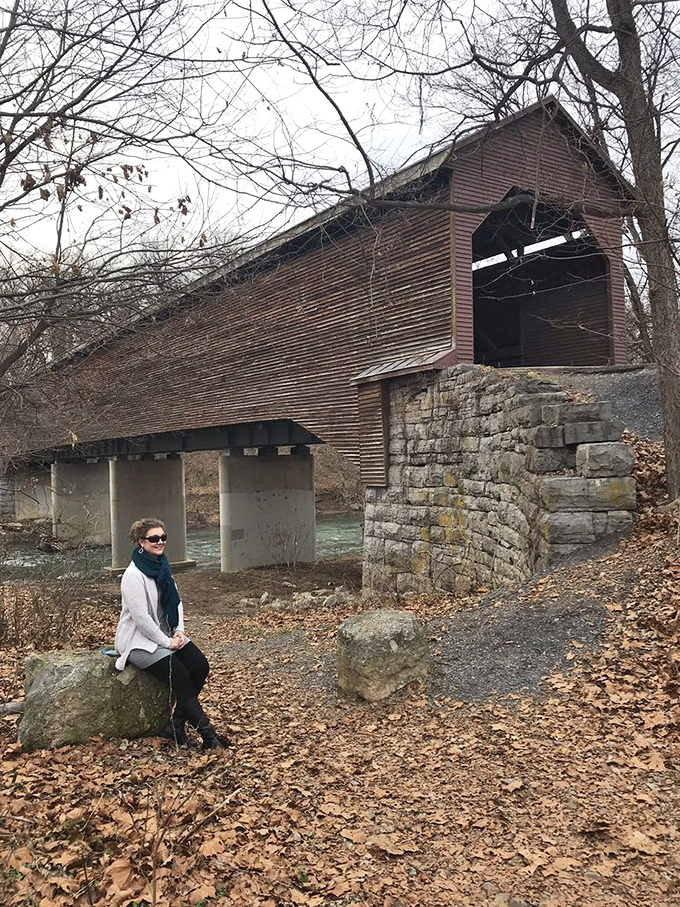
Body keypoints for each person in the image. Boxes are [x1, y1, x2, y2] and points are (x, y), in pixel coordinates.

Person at [114, 517, 226, 749]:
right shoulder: (133, 575)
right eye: (154, 538)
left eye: (163, 537)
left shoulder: (162, 566)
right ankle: (209, 738)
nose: (160, 542)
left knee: (200, 666)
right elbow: (141, 619)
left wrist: (179, 631)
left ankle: (175, 725)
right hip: (138, 641)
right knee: (181, 676)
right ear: (141, 542)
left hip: (167, 633)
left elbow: (176, 602)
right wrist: (167, 642)